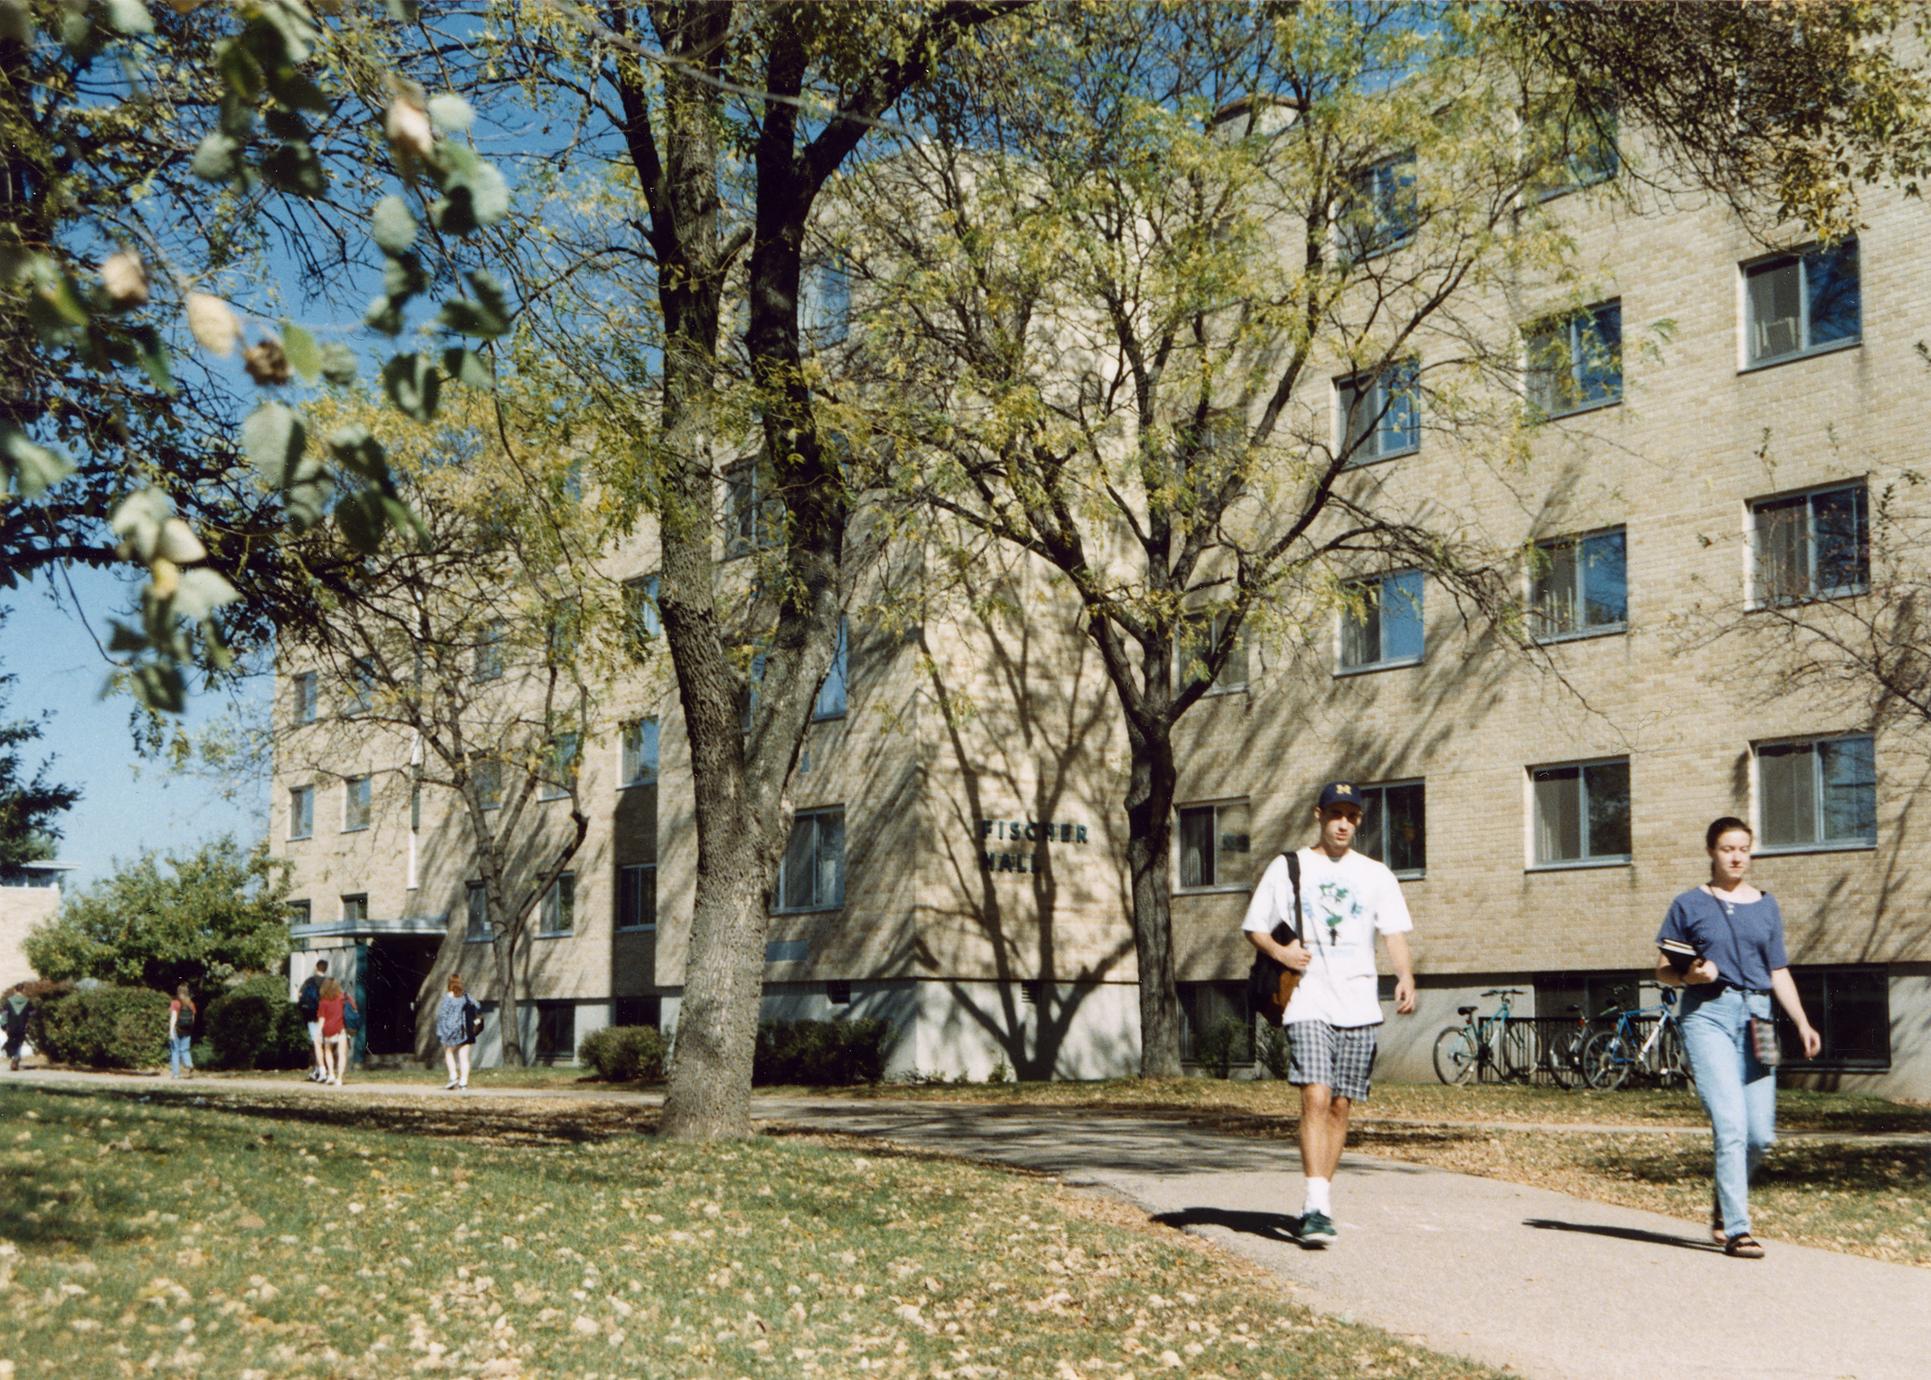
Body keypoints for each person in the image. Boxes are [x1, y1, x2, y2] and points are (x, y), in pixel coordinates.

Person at [1244, 780, 1416, 1247]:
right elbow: (1256, 927)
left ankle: (1323, 1198)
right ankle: (1314, 1206)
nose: (1343, 823)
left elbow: (1394, 931)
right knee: (1316, 1096)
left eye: (1352, 816)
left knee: (1341, 1103)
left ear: (1359, 821)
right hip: (1308, 999)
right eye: (1335, 814)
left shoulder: (1376, 874)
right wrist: (1283, 955)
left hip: (1359, 999)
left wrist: (1404, 975)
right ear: (1319, 816)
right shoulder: (1290, 867)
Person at [1656, 816, 1821, 1260]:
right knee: (1730, 1125)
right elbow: (1662, 969)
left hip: (1760, 1018)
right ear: (1711, 851)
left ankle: (1722, 1208)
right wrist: (1690, 974)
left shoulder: (1766, 905)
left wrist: (1803, 1022)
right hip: (1708, 1015)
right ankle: (1737, 1230)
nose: (1736, 857)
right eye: (1728, 848)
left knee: (1760, 1136)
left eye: (1744, 849)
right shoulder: (1689, 904)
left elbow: (1778, 970)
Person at [435, 973, 479, 1091]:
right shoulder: (466, 996)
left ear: (449, 984)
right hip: (466, 1031)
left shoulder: (447, 998)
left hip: (451, 1031)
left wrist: (440, 1032)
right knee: (464, 1057)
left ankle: (453, 1076)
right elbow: (477, 1006)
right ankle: (463, 1083)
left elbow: (442, 1016)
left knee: (449, 1053)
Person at [315, 977, 358, 1086]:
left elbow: (322, 1019)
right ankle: (339, 1078)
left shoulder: (323, 1002)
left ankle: (331, 1074)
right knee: (342, 1054)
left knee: (328, 1052)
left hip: (328, 1030)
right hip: (341, 1029)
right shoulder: (342, 999)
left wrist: (318, 1033)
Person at [298, 959, 330, 1083]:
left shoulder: (309, 981)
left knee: (316, 1043)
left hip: (312, 1016)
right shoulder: (330, 982)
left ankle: (320, 1070)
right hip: (326, 1017)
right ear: (326, 968)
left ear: (317, 967)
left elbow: (300, 995)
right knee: (324, 1044)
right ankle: (320, 1070)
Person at [167, 984, 196, 1080]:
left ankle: (176, 1074)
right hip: (187, 1030)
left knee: (175, 1051)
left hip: (177, 1029)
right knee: (185, 1049)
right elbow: (193, 1018)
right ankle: (189, 1064)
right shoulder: (191, 1004)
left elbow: (174, 1017)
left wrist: (171, 1031)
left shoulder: (175, 1003)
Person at [2, 985, 32, 1071]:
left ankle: (13, 1058)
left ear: (15, 990)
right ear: (23, 990)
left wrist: (3, 1025)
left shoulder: (8, 1001)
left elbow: (4, 1014)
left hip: (10, 1026)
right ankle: (16, 1059)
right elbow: (32, 1013)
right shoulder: (27, 1001)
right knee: (19, 1042)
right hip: (23, 1026)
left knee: (11, 1042)